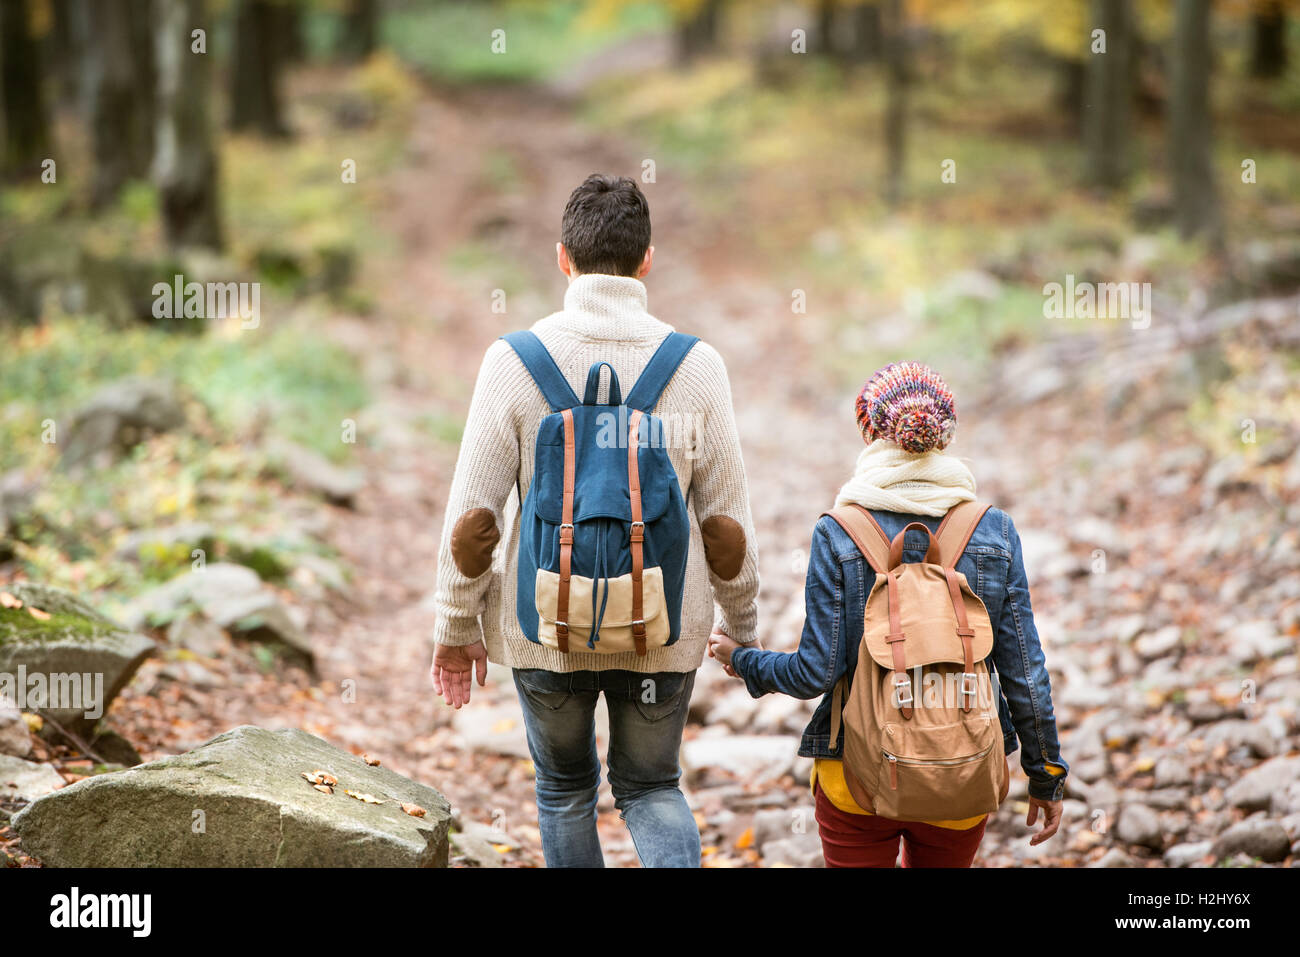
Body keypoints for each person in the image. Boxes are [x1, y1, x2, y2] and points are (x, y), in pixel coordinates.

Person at [429, 173, 761, 867]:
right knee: (651, 785)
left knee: (563, 789)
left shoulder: (512, 363)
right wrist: (741, 626)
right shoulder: (698, 368)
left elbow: (473, 520)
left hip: (545, 627)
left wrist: (456, 628)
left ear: (562, 258)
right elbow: (725, 524)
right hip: (662, 630)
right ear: (646, 262)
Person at [709, 361, 1067, 867]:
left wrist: (745, 660)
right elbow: (1024, 673)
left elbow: (816, 672)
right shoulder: (994, 531)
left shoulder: (839, 531)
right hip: (959, 774)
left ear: (869, 434)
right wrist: (1045, 772)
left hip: (856, 777)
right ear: (945, 436)